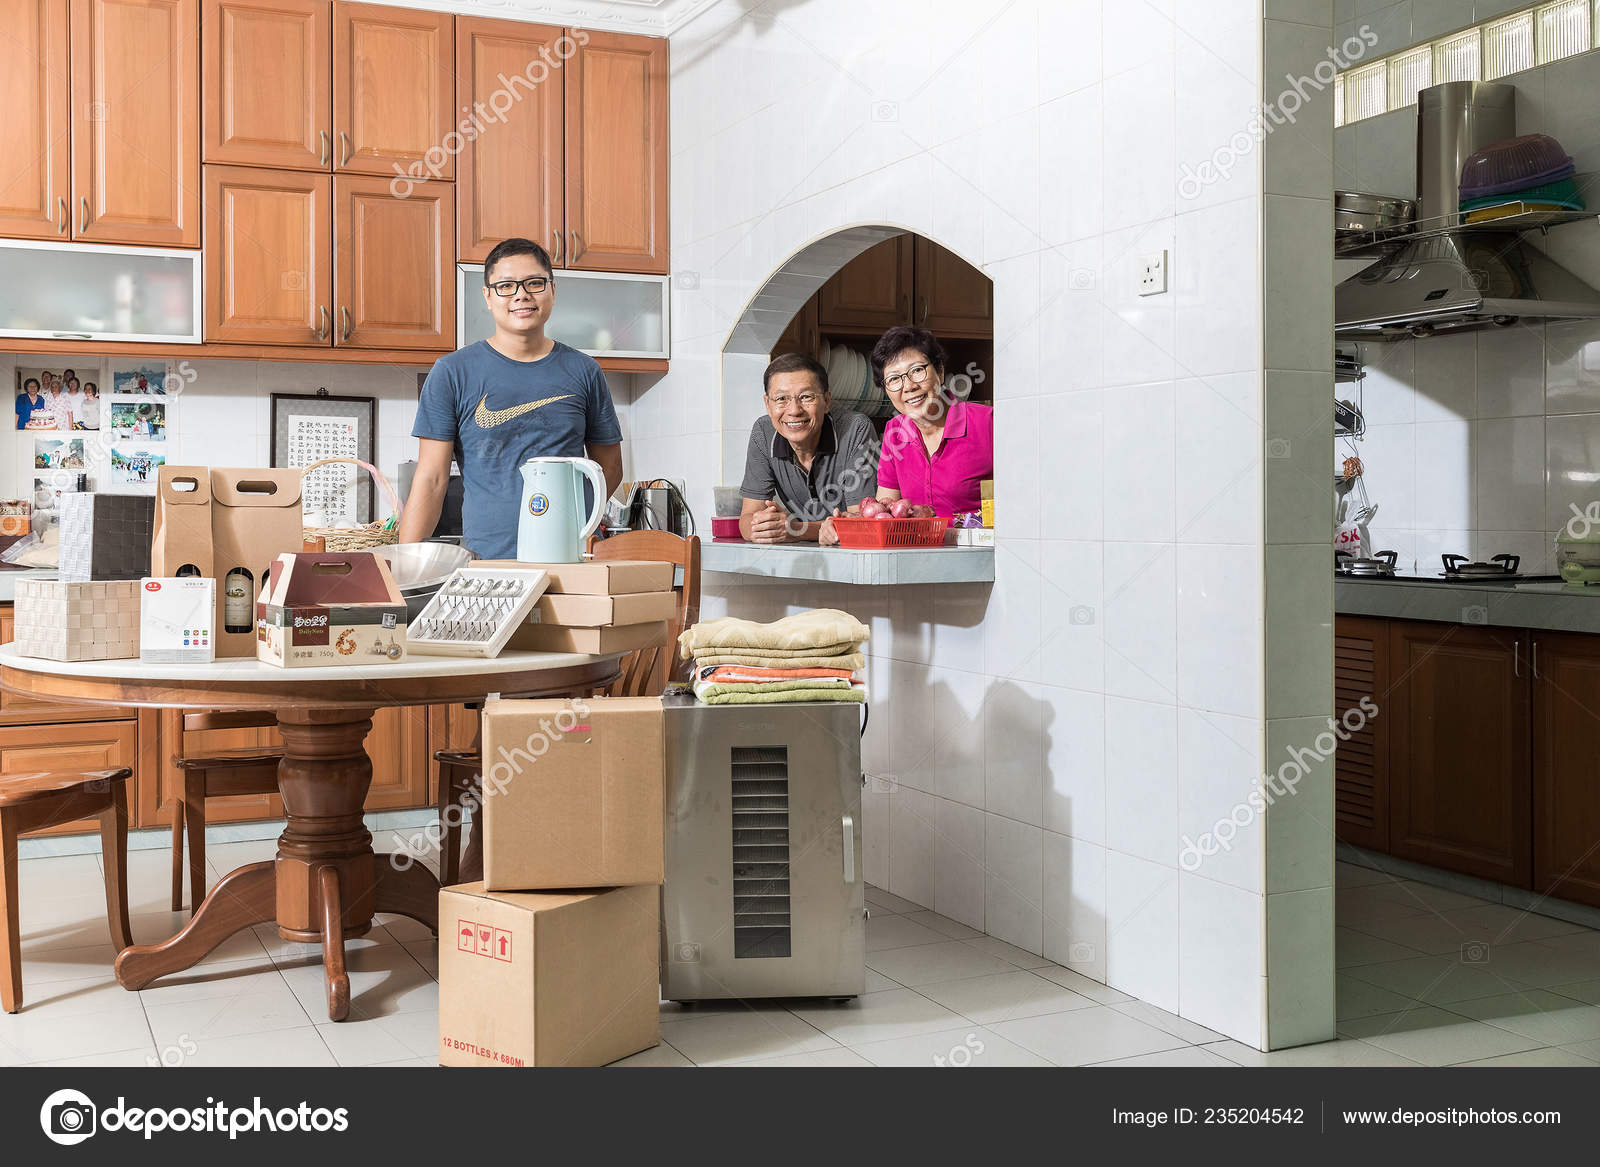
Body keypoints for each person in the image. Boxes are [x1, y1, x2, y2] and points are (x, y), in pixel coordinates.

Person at [401, 237, 623, 559]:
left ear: (552, 289)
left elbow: (609, 468)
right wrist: (404, 563)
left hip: (570, 561)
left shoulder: (585, 371)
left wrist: (573, 524)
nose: (521, 295)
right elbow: (432, 480)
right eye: (506, 286)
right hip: (487, 562)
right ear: (488, 296)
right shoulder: (452, 372)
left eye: (534, 283)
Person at [739, 353, 877, 544]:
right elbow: (747, 518)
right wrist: (761, 527)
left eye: (806, 397)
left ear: (826, 401)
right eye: (781, 398)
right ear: (768, 405)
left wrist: (795, 530)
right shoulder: (763, 432)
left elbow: (863, 524)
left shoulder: (855, 428)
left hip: (857, 555)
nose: (794, 410)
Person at [870, 325, 993, 517]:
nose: (908, 386)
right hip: (916, 538)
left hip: (980, 537)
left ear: (940, 372)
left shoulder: (988, 423)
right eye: (894, 379)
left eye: (917, 370)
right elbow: (885, 512)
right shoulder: (894, 432)